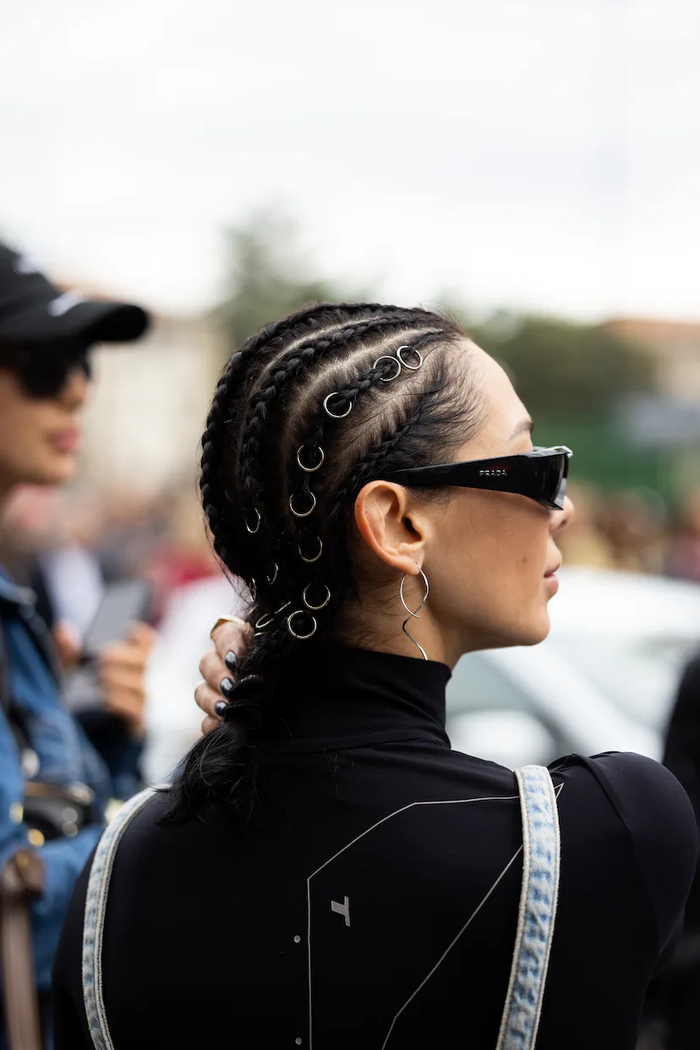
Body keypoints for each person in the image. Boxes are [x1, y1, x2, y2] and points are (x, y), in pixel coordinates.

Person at [53, 302, 697, 1050]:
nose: (565, 507)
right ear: (398, 524)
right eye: (536, 468)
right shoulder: (604, 829)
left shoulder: (115, 868)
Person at [0, 242, 154, 1048]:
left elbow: (37, 840)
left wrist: (94, 740)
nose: (77, 390)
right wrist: (168, 833)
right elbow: (16, 888)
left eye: (84, 364)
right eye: (44, 365)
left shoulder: (15, 611)